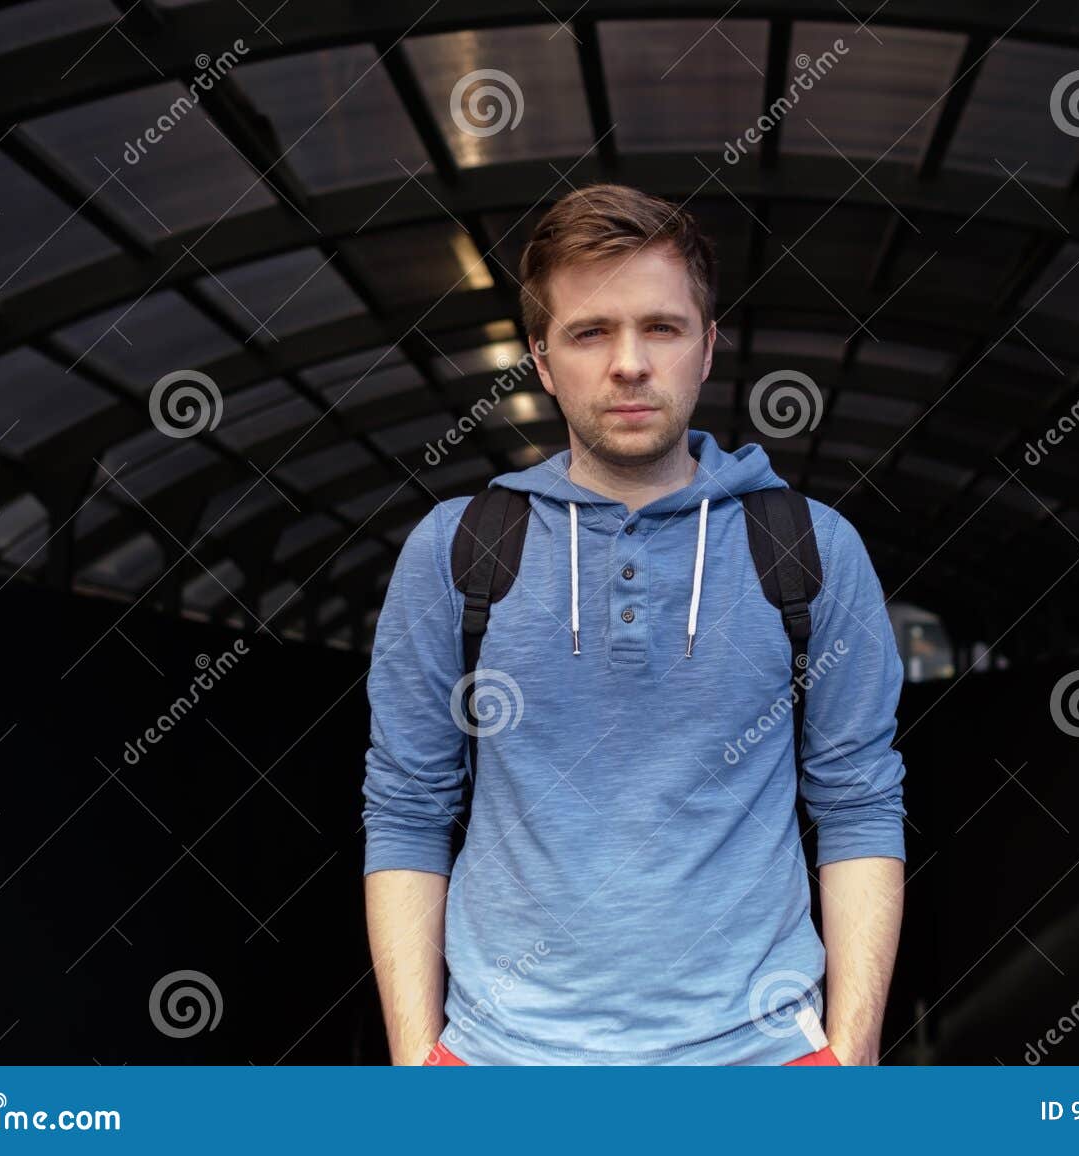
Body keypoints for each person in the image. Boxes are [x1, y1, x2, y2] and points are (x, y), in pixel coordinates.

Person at [361, 183, 906, 1065]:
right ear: (540, 359)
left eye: (661, 326)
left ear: (706, 348)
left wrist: (849, 1063)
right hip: (503, 1062)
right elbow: (407, 811)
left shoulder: (810, 547)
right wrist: (420, 1065)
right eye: (589, 332)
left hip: (761, 1060)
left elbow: (859, 806)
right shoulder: (455, 550)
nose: (628, 363)